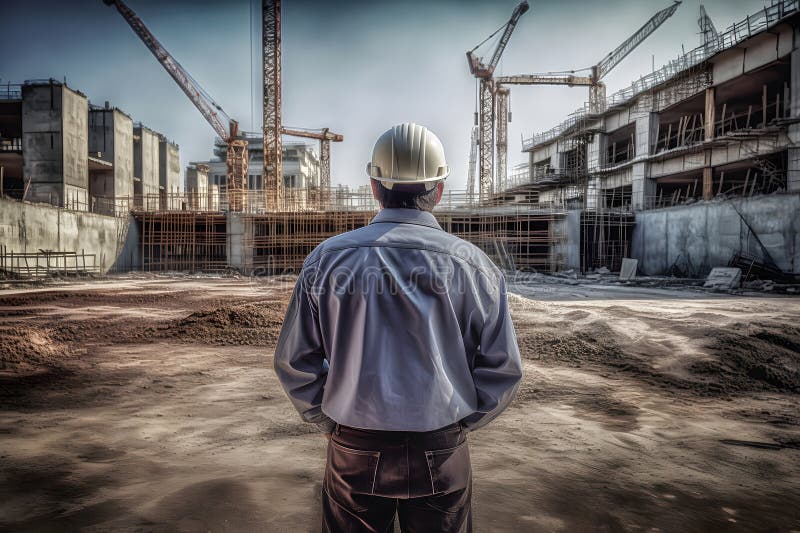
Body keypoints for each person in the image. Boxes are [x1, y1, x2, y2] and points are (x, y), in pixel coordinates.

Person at [274, 122, 522, 533]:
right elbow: (503, 370)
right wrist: (460, 424)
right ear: (438, 189)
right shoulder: (474, 265)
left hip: (353, 444)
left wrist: (327, 422)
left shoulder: (327, 260)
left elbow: (294, 362)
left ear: (375, 186)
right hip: (441, 446)